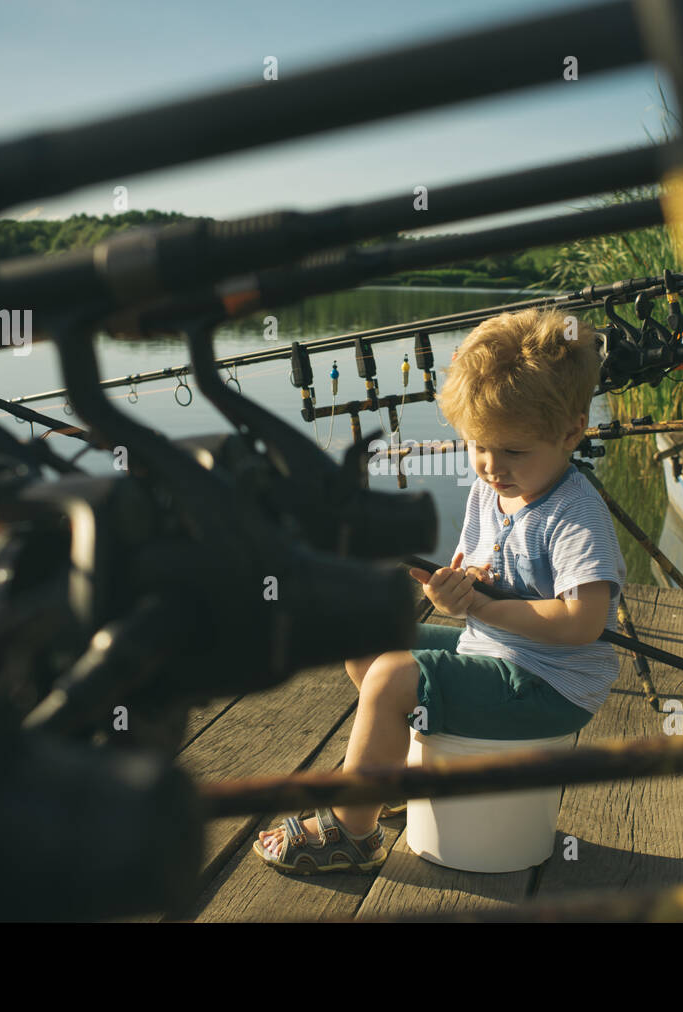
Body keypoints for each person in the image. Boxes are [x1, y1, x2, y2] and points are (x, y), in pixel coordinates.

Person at [255, 308, 627, 874]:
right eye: (478, 445)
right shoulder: (491, 485)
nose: (491, 466)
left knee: (393, 677)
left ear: (572, 432)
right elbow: (481, 564)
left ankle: (351, 832)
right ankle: (398, 775)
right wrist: (458, 585)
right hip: (493, 650)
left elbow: (582, 622)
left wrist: (478, 605)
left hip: (550, 686)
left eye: (513, 452)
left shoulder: (576, 513)